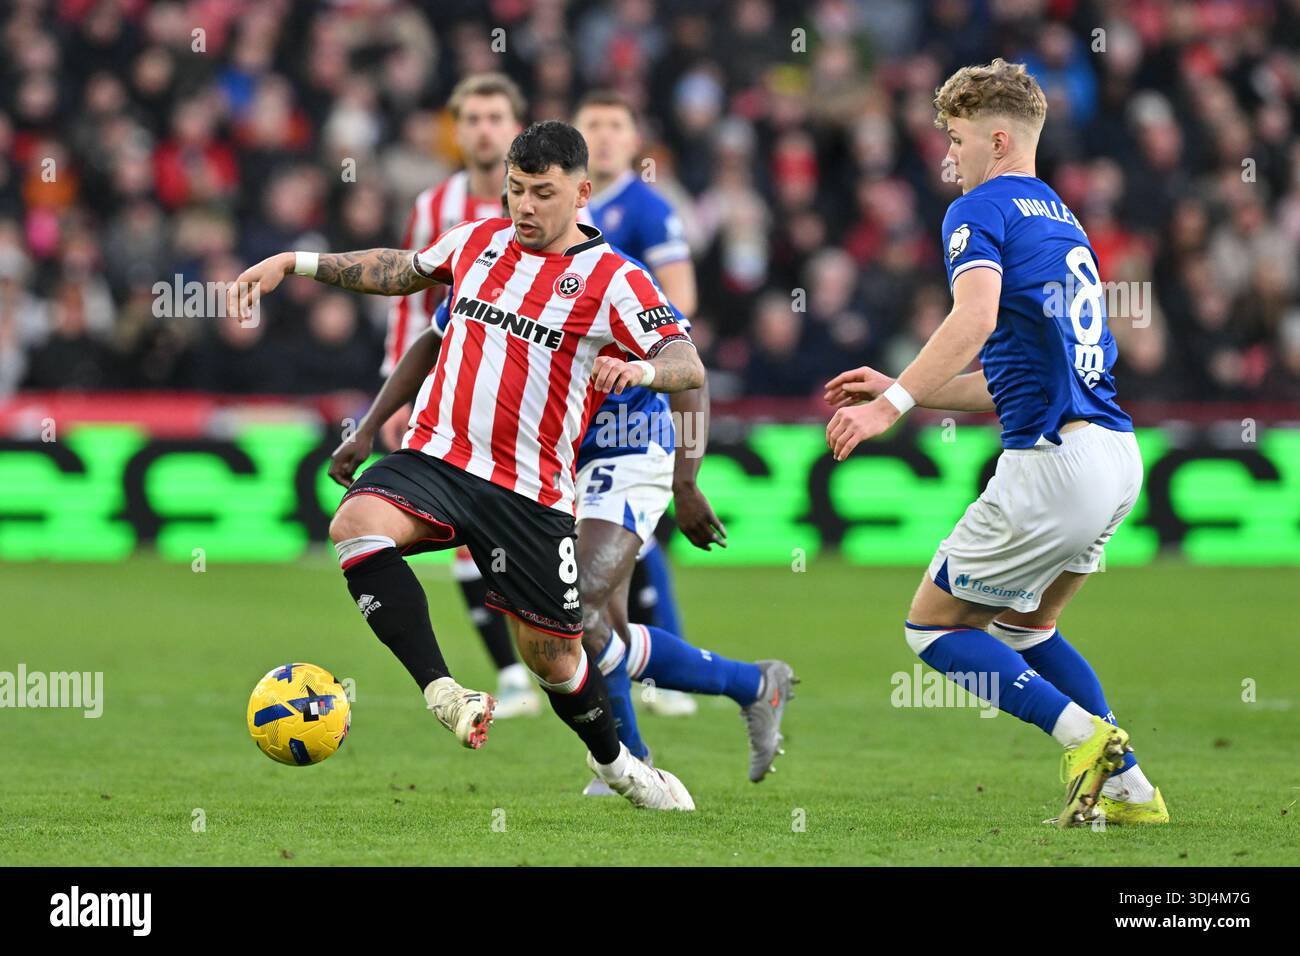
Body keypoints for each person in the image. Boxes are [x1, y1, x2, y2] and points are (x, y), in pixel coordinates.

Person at [229, 121, 705, 811]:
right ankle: (442, 692)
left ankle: (621, 767)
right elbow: (403, 269)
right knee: (356, 522)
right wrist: (298, 263)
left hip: (529, 492)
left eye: (543, 194)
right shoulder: (479, 241)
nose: (525, 207)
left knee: (556, 660)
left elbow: (686, 360)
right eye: (516, 190)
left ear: (581, 193)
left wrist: (641, 368)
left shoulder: (614, 280)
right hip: (440, 457)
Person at [824, 60, 1167, 827]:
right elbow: (1001, 379)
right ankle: (1132, 792)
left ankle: (1085, 737)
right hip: (1114, 458)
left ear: (999, 139)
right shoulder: (1061, 218)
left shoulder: (979, 209)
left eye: (955, 136)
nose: (948, 154)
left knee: (932, 629)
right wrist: (901, 388)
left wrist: (892, 408)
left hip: (1052, 465)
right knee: (1027, 626)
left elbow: (973, 320)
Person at [380, 73, 541, 719]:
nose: (483, 128)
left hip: (529, 397)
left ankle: (594, 662)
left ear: (516, 125)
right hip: (447, 392)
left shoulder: (545, 208)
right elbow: (409, 305)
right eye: (470, 117)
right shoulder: (434, 207)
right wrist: (393, 398)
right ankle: (510, 674)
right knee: (462, 530)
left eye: (495, 116)